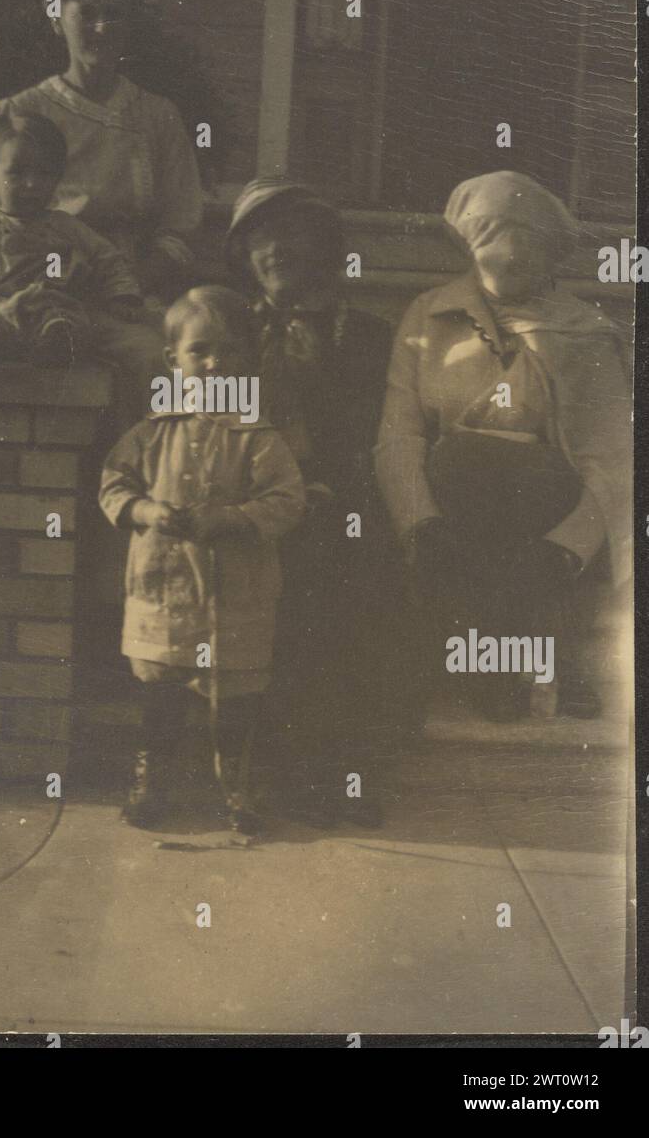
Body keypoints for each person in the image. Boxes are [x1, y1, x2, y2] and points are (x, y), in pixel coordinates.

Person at [374, 170, 632, 723]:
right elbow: (400, 432)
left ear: (550, 257)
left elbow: (612, 454)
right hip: (456, 495)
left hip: (545, 501)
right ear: (473, 251)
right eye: (497, 254)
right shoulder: (430, 316)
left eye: (527, 255)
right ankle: (503, 662)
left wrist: (569, 545)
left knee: (523, 511)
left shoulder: (582, 330)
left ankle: (534, 652)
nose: (512, 265)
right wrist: (419, 521)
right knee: (460, 469)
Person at [98, 285, 306, 836]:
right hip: (164, 590)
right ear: (174, 361)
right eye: (201, 352)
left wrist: (234, 518)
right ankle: (152, 784)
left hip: (235, 593)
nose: (216, 364)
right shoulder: (148, 434)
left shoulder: (258, 438)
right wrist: (145, 510)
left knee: (234, 697)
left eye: (231, 352)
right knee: (160, 691)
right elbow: (113, 486)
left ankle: (239, 787)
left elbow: (288, 499)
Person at [225, 178, 399, 827]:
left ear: (322, 247)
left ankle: (339, 776)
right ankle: (271, 775)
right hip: (252, 500)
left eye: (286, 235)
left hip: (343, 506)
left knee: (345, 582)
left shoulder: (371, 337)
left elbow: (375, 438)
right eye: (257, 240)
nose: (270, 251)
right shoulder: (233, 331)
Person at [0, 0, 203, 299]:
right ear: (57, 19)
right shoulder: (19, 114)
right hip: (32, 293)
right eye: (86, 13)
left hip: (131, 291)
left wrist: (131, 284)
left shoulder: (158, 117)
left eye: (114, 15)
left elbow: (181, 227)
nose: (101, 28)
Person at [0, 106, 159, 397]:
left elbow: (107, 259)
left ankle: (58, 345)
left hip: (54, 308)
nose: (31, 184)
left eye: (44, 174)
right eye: (17, 173)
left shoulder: (66, 227)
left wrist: (121, 294)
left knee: (69, 323)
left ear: (58, 177)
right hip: (1, 313)